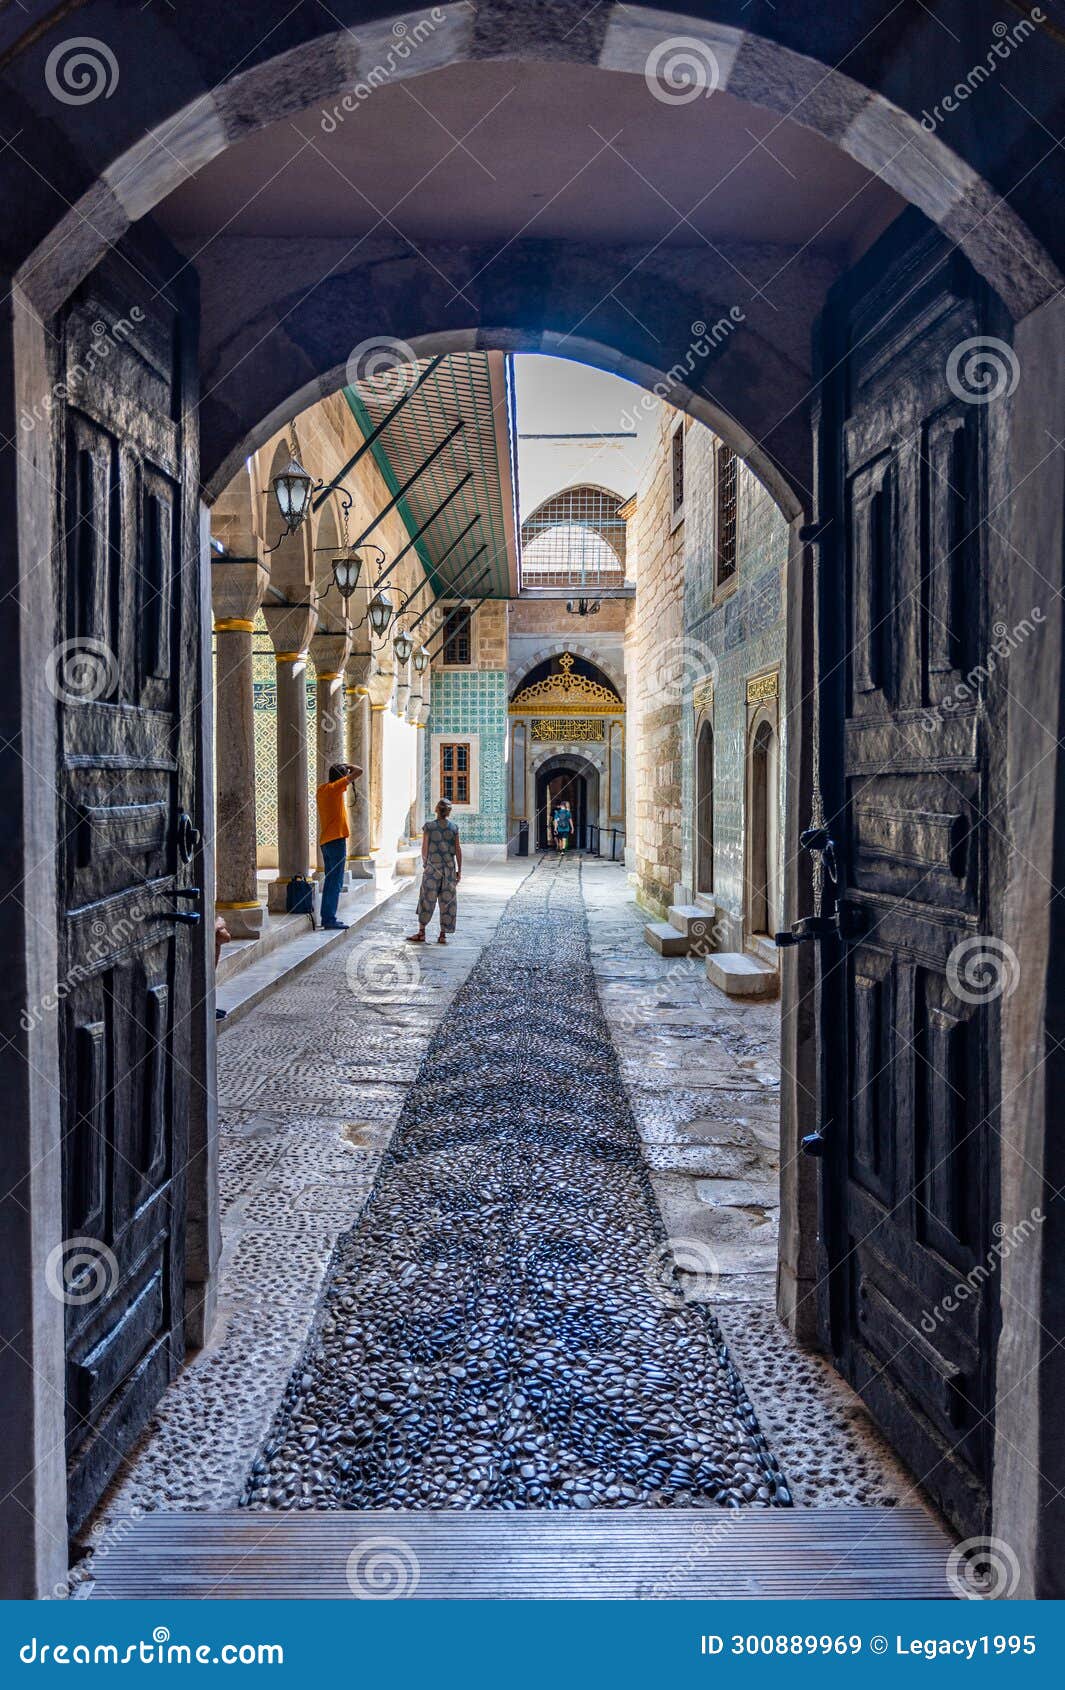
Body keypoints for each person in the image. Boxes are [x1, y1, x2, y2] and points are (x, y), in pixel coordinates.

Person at [407, 798, 462, 945]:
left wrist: (426, 864)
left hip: (433, 867)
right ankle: (443, 935)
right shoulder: (454, 828)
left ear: (436, 810)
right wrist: (459, 870)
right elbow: (457, 850)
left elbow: (424, 848)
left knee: (426, 899)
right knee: (447, 901)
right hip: (449, 868)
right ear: (449, 812)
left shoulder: (429, 827)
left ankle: (421, 933)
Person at [315, 761, 362, 930]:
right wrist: (349, 765)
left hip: (325, 841)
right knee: (335, 881)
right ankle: (329, 918)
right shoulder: (336, 788)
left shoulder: (322, 789)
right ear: (342, 778)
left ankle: (327, 916)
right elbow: (359, 771)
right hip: (336, 840)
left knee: (330, 880)